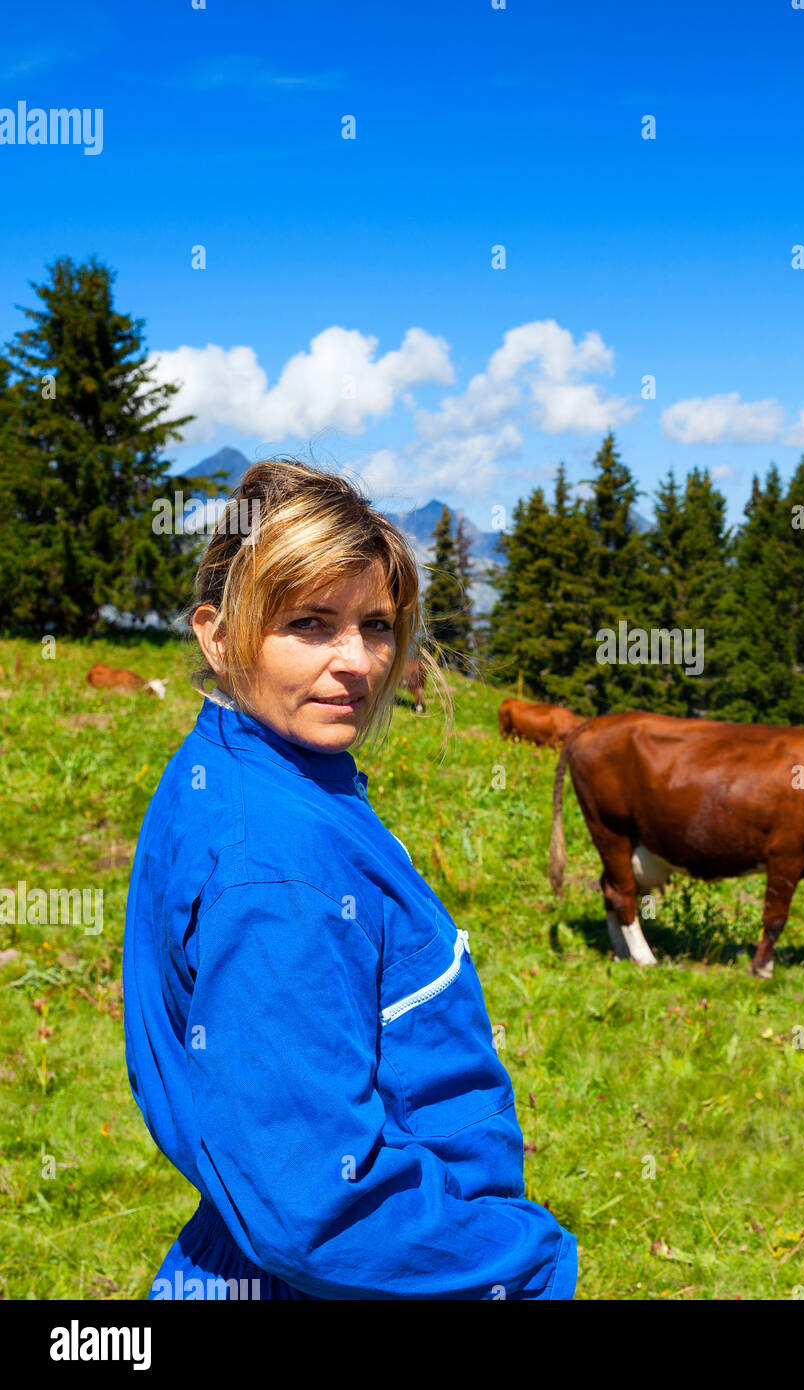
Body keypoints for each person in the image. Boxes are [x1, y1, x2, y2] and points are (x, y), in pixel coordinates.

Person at [122, 458, 577, 1299]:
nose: (358, 661)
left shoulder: (246, 771)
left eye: (374, 624)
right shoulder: (276, 870)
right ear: (216, 636)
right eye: (309, 623)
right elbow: (319, 1210)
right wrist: (529, 1261)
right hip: (370, 1279)